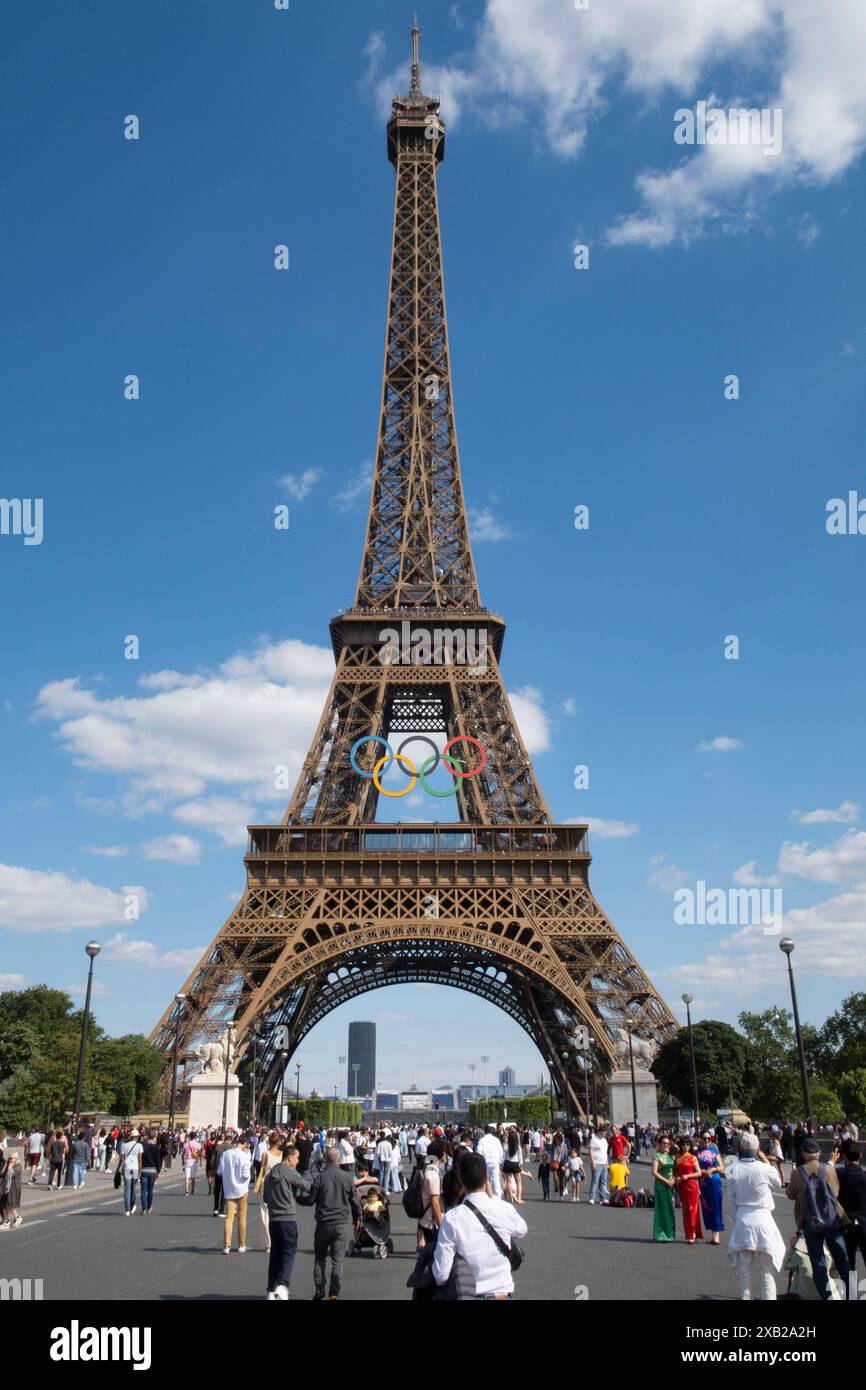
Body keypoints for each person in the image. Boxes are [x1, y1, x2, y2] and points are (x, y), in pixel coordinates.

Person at [432, 1151, 527, 1300]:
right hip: (502, 1293)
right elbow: (521, 1230)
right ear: (486, 1178)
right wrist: (493, 1197)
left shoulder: (452, 1218)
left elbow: (441, 1275)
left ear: (461, 1180)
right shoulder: (503, 1208)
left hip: (469, 1293)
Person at [786, 1136, 850, 1300]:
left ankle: (826, 1297)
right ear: (819, 1153)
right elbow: (835, 1193)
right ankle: (852, 1294)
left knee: (818, 1261)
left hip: (810, 1222)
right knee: (843, 1259)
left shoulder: (797, 1172)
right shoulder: (828, 1170)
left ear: (804, 1154)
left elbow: (791, 1194)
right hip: (832, 1221)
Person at [727, 1132, 784, 1300]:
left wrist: (736, 1219)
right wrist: (765, 1159)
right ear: (757, 1148)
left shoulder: (733, 1170)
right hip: (764, 1219)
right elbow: (778, 1182)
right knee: (767, 1269)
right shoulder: (764, 1169)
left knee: (745, 1270)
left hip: (743, 1219)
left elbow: (731, 1200)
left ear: (741, 1148)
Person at [309, 1147, 362, 1301]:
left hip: (323, 1222)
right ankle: (334, 1291)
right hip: (340, 1222)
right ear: (339, 1160)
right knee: (337, 1260)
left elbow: (311, 1199)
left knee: (320, 1257)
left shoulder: (319, 1178)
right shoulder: (346, 1177)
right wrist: (357, 1217)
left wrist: (299, 1197)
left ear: (326, 1160)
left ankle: (320, 1288)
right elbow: (355, 1201)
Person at [263, 1142, 313, 1300]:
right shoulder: (290, 1172)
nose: (298, 1161)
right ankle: (282, 1285)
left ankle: (271, 1288)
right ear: (290, 1158)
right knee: (288, 1252)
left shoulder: (271, 1174)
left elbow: (265, 1197)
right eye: (297, 1158)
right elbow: (306, 1186)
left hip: (274, 1219)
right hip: (288, 1218)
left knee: (275, 1254)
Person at [835, 1139, 865, 1299]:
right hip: (864, 1223)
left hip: (846, 1223)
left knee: (849, 1265)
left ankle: (850, 1296)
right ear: (860, 1155)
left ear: (843, 1156)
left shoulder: (839, 1174)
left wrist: (832, 1162)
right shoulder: (864, 1176)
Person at [219, 1136, 252, 1254]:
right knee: (242, 1217)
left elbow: (219, 1171)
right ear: (244, 1144)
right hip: (242, 1189)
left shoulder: (226, 1154)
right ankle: (241, 1244)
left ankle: (226, 1245)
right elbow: (246, 1175)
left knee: (229, 1217)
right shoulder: (245, 1156)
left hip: (229, 1189)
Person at [697, 1131, 725, 1245]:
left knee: (716, 1206)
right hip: (703, 1182)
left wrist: (713, 1169)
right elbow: (696, 1168)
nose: (707, 1140)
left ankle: (717, 1234)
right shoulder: (697, 1153)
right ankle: (713, 1235)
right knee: (707, 1207)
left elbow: (722, 1167)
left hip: (715, 1181)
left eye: (709, 1138)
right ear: (701, 1139)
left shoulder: (714, 1151)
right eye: (705, 1138)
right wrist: (704, 1171)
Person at [416, 1137, 445, 1249]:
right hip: (432, 1221)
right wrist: (442, 1225)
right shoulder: (433, 1174)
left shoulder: (427, 1168)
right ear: (441, 1154)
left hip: (425, 1218)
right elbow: (435, 1202)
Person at [674, 1138, 703, 1244]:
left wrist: (687, 1176)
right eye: (683, 1144)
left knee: (692, 1210)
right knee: (685, 1211)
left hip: (692, 1186)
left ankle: (692, 1234)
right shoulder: (677, 1158)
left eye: (687, 1144)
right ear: (681, 1145)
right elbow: (675, 1172)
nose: (685, 1146)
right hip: (682, 1186)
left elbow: (699, 1173)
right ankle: (690, 1233)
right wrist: (677, 1177)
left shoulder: (693, 1158)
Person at [651, 1136, 676, 1241]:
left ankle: (669, 1234)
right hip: (661, 1185)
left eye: (667, 1143)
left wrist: (673, 1180)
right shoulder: (657, 1156)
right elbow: (654, 1172)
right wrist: (666, 1181)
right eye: (664, 1143)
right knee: (661, 1209)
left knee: (670, 1209)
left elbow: (673, 1170)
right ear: (659, 1144)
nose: (666, 1145)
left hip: (670, 1185)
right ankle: (660, 1234)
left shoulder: (671, 1156)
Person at [119, 1129, 143, 1215]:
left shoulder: (124, 1145)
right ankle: (132, 1205)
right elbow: (140, 1160)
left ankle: (127, 1210)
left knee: (127, 1189)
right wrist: (140, 1172)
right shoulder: (139, 1145)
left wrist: (119, 1168)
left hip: (127, 1168)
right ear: (136, 1137)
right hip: (135, 1168)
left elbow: (121, 1158)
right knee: (133, 1189)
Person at [139, 1128, 163, 1215]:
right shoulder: (156, 1148)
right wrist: (158, 1171)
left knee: (143, 1190)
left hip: (144, 1170)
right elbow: (158, 1161)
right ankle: (149, 1207)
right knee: (150, 1190)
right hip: (152, 1171)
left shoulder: (143, 1146)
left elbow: (140, 1159)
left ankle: (144, 1208)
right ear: (154, 1138)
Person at [477, 1126, 504, 1199]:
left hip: (486, 1162)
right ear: (491, 1131)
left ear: (484, 1131)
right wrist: (500, 1161)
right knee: (495, 1179)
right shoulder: (496, 1140)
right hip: (495, 1161)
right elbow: (501, 1151)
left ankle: (487, 1195)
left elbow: (479, 1152)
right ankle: (498, 1196)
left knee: (486, 1180)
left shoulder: (481, 1140)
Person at [0, 1151, 23, 1229]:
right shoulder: (9, 1164)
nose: (9, 1160)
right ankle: (7, 1221)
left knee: (10, 1204)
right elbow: (2, 1173)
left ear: (15, 1159)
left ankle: (17, 1217)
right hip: (8, 1187)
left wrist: (10, 1166)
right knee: (7, 1204)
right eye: (9, 1158)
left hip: (14, 1187)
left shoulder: (18, 1166)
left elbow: (12, 1174)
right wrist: (6, 1164)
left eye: (11, 1158)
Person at [587, 1128, 609, 1205]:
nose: (604, 1135)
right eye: (602, 1133)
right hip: (596, 1162)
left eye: (605, 1133)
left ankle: (602, 1199)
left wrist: (607, 1162)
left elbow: (605, 1152)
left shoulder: (604, 1140)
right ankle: (591, 1198)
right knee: (595, 1181)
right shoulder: (594, 1140)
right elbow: (590, 1151)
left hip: (604, 1163)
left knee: (603, 1181)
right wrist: (593, 1162)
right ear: (599, 1132)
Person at [182, 1132, 202, 1197]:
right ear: (195, 1137)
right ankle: (193, 1189)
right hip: (194, 1162)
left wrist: (182, 1161)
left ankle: (186, 1191)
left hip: (187, 1161)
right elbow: (199, 1153)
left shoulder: (186, 1144)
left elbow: (183, 1154)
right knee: (193, 1177)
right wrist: (200, 1161)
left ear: (189, 1137)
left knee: (187, 1176)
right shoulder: (197, 1144)